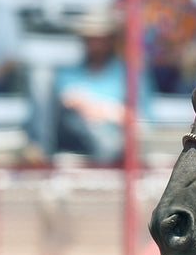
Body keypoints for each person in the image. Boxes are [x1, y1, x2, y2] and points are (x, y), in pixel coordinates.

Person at [52, 8, 153, 162]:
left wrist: (101, 111)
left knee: (109, 142)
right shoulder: (67, 73)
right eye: (90, 38)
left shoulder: (132, 75)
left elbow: (143, 120)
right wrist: (114, 111)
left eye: (101, 38)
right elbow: (64, 106)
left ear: (111, 39)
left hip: (117, 144)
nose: (95, 43)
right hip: (75, 141)